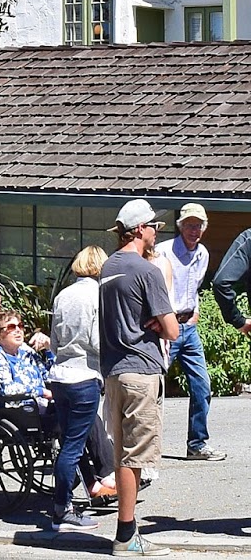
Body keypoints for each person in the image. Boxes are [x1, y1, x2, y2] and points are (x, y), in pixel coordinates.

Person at [100, 199, 180, 557]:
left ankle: (125, 534)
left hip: (115, 372)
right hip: (141, 371)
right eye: (153, 228)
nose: (156, 234)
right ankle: (126, 536)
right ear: (138, 231)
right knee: (134, 459)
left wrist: (151, 320)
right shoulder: (147, 271)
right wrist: (160, 322)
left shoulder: (108, 267)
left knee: (121, 455)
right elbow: (174, 330)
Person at [46, 245, 118, 533]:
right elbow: (96, 341)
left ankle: (68, 502)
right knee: (72, 449)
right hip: (83, 375)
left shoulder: (64, 295)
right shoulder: (97, 296)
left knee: (68, 445)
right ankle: (61, 510)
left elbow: (53, 341)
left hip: (60, 375)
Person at [165, 203, 224, 460]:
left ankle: (197, 444)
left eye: (198, 225)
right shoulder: (163, 252)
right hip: (166, 328)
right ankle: (138, 446)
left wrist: (196, 309)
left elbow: (194, 287)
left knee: (202, 385)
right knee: (149, 387)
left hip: (189, 328)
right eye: (189, 224)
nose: (193, 230)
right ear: (180, 226)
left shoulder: (203, 253)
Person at [0, 310, 51, 412]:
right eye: (11, 327)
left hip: (41, 405)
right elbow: (7, 389)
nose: (18, 330)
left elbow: (49, 376)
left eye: (20, 326)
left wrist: (49, 349)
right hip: (19, 410)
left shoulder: (26, 351)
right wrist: (42, 392)